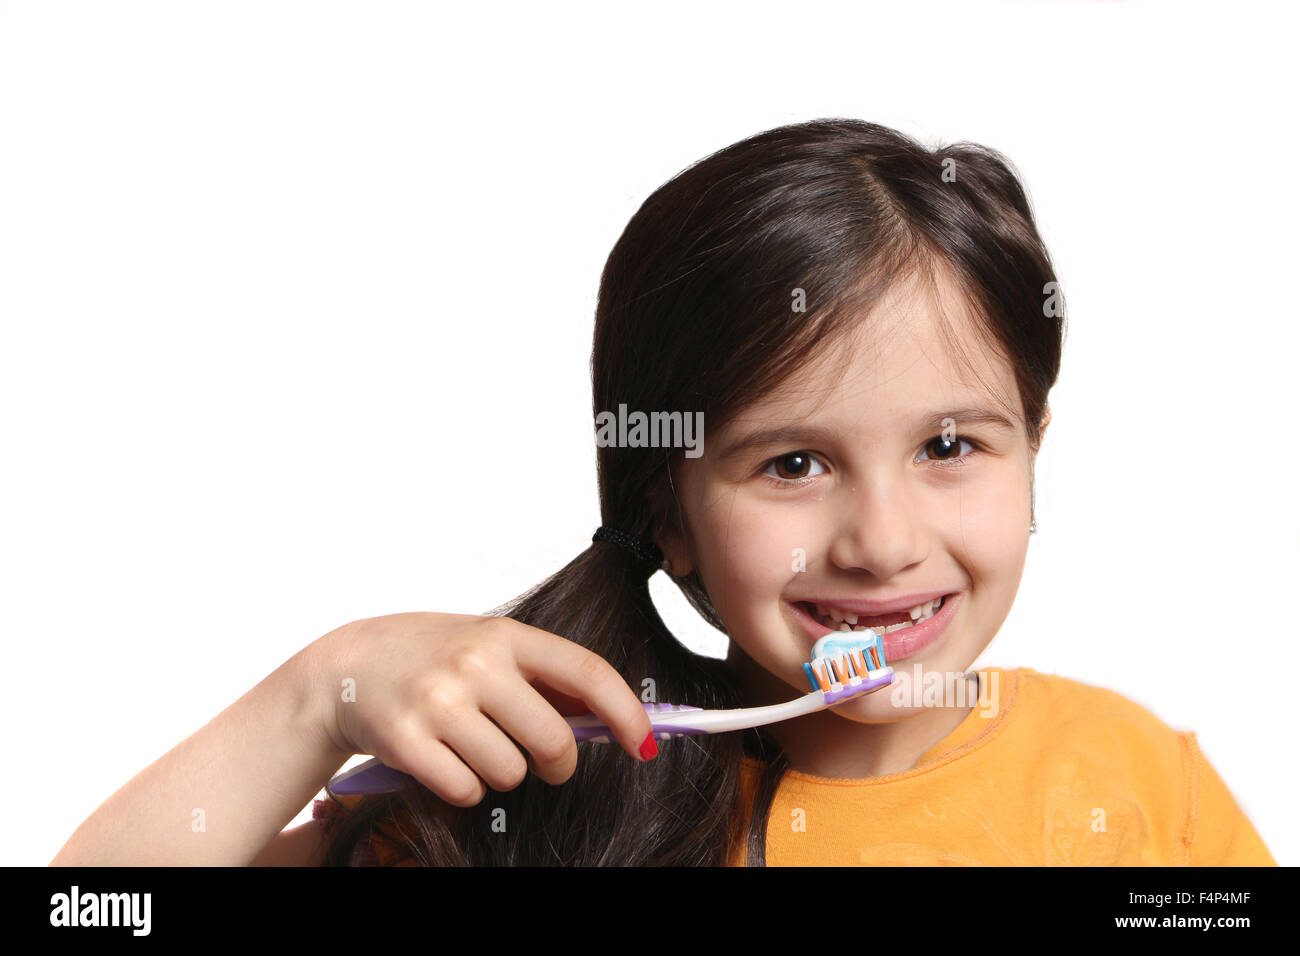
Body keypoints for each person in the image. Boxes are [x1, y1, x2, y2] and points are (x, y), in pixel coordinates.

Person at [51, 118, 1276, 866]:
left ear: (1035, 446)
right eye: (791, 463)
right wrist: (321, 691)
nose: (884, 539)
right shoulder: (533, 800)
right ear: (670, 513)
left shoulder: (1135, 785)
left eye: (952, 445)